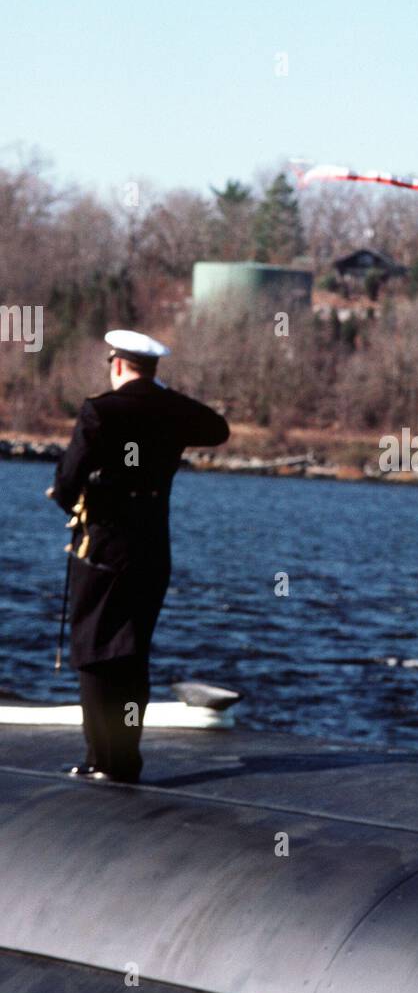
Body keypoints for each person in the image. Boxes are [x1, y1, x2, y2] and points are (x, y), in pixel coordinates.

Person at [50, 330, 229, 783]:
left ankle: (101, 758)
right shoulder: (171, 410)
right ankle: (126, 759)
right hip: (152, 549)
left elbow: (66, 485)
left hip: (104, 548)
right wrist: (159, 392)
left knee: (94, 653)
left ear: (116, 364)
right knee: (131, 655)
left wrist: (73, 495)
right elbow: (216, 428)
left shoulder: (100, 410)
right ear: (151, 369)